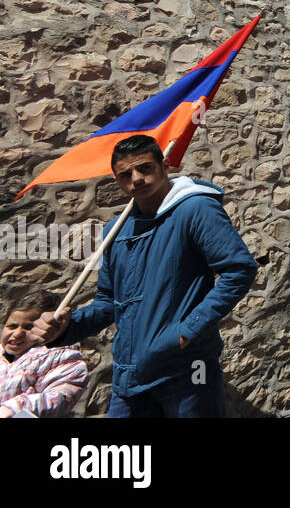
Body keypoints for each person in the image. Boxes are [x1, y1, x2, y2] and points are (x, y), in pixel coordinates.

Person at [32, 135, 257, 418]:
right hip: (129, 374)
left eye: (145, 168)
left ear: (164, 166)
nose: (136, 179)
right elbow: (107, 302)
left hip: (188, 368)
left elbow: (239, 270)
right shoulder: (116, 229)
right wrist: (65, 327)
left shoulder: (195, 208)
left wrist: (188, 331)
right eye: (125, 175)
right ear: (117, 181)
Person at [1, 298, 87, 417]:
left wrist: (14, 408)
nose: (17, 334)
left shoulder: (61, 358)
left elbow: (60, 396)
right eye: (12, 326)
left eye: (28, 327)